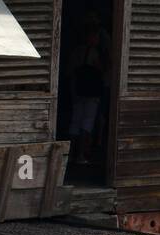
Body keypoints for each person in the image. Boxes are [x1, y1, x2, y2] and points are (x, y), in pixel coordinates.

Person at [67, 10, 110, 165]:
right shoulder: (93, 52)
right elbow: (102, 70)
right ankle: (81, 155)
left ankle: (70, 154)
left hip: (77, 91)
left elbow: (69, 72)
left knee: (75, 122)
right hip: (91, 93)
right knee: (87, 123)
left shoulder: (75, 51)